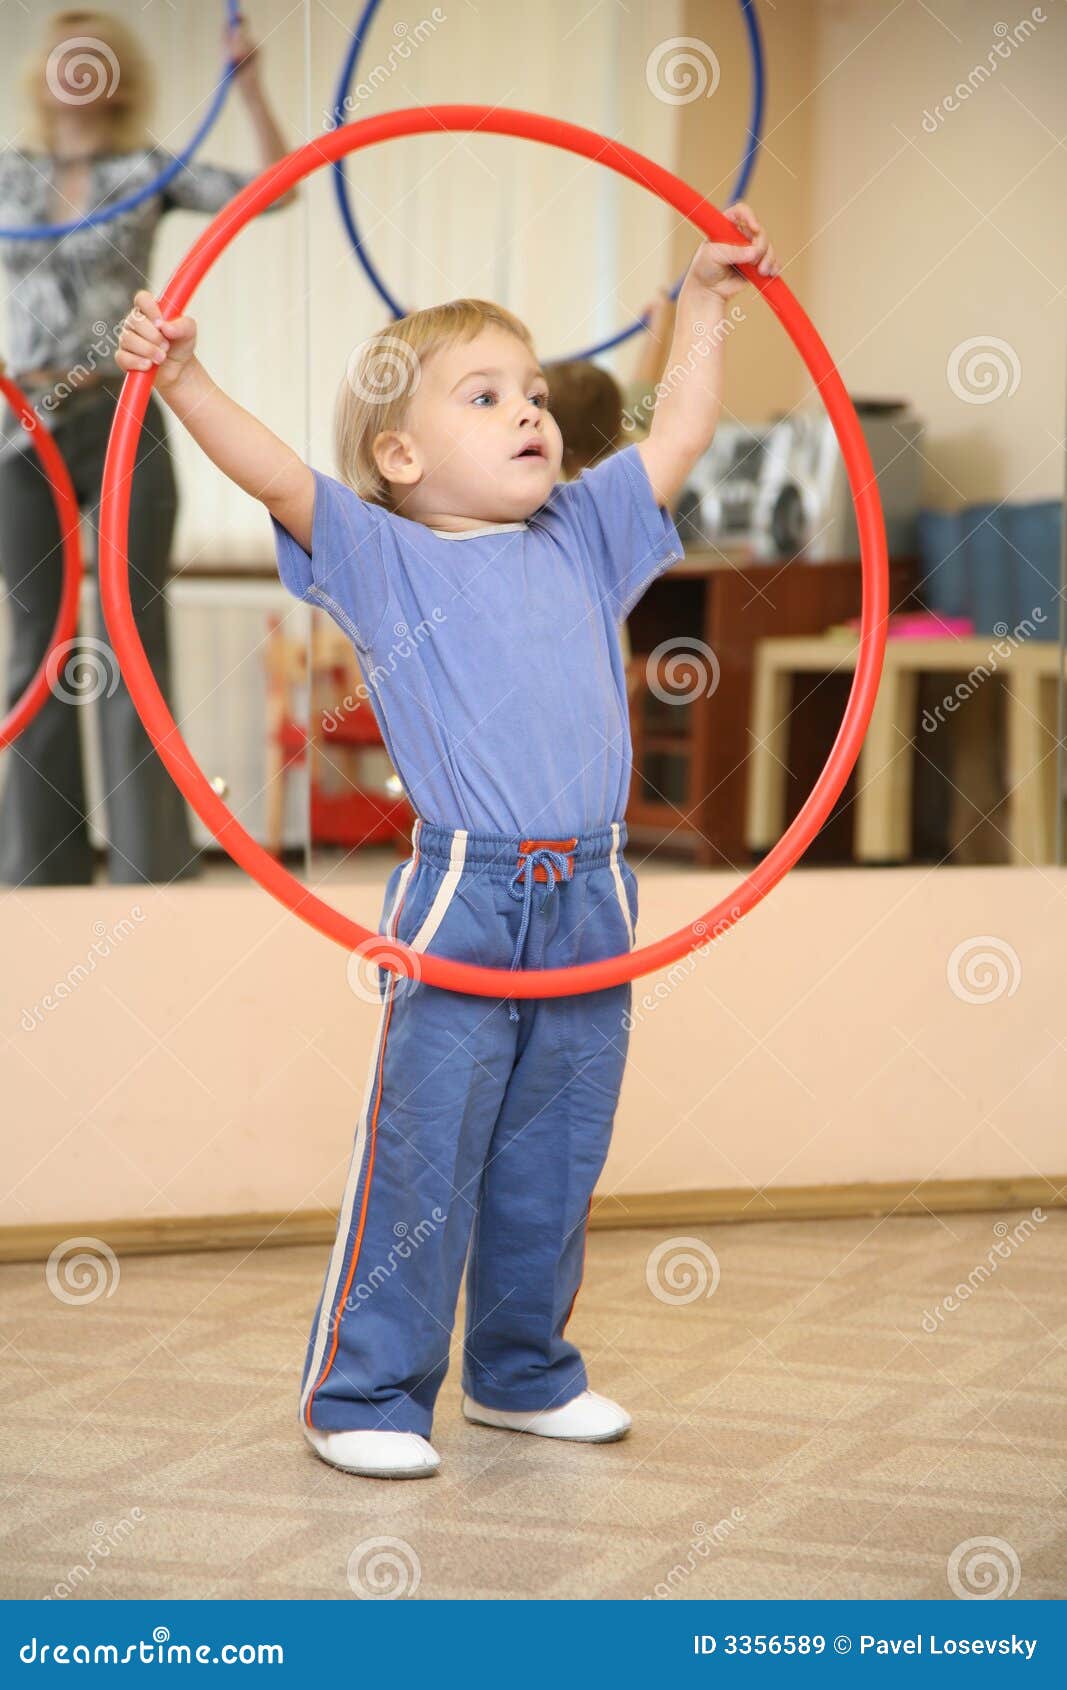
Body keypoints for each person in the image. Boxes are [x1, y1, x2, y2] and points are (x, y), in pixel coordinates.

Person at [116, 203, 779, 1480]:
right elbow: (270, 472)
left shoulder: (584, 533)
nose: (529, 410)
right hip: (465, 893)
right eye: (483, 396)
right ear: (400, 456)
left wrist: (701, 295)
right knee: (427, 1149)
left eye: (532, 391)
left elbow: (682, 424)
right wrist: (183, 374)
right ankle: (362, 1393)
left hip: (591, 894)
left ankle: (522, 1374)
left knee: (556, 1147)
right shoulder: (380, 555)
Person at [0, 8, 295, 886]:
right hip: (23, 425)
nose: (74, 69)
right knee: (36, 646)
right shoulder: (9, 174)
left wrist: (251, 89)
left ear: (117, 74)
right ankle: (39, 869)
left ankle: (149, 866)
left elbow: (275, 190)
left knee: (134, 633)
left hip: (122, 415)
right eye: (61, 55)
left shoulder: (145, 171)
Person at [546, 287, 679, 692]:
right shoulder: (632, 461)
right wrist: (660, 325)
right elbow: (644, 387)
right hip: (608, 655)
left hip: (568, 656)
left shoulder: (546, 490)